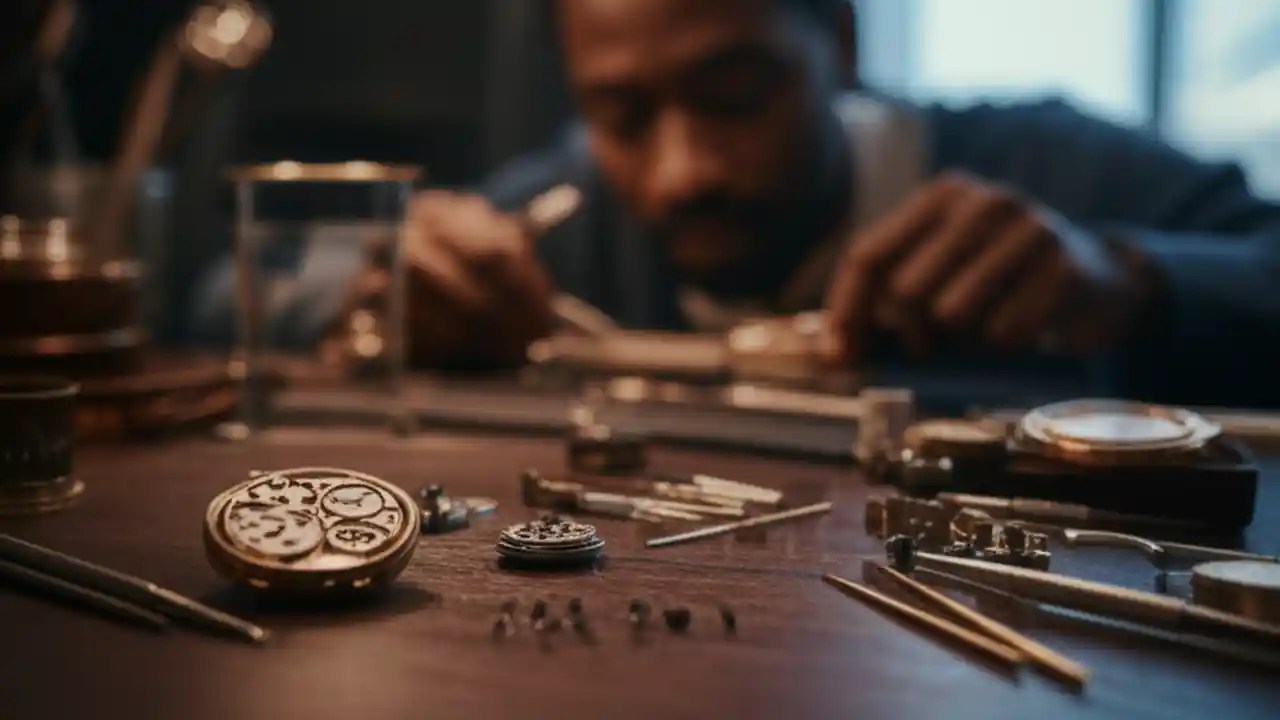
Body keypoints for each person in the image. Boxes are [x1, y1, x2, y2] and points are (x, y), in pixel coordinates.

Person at [235, 0, 1280, 406]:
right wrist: (376, 290)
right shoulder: (557, 209)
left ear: (839, 46)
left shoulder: (1047, 168)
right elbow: (221, 297)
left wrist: (1129, 281)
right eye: (621, 111)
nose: (681, 169)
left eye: (734, 95)